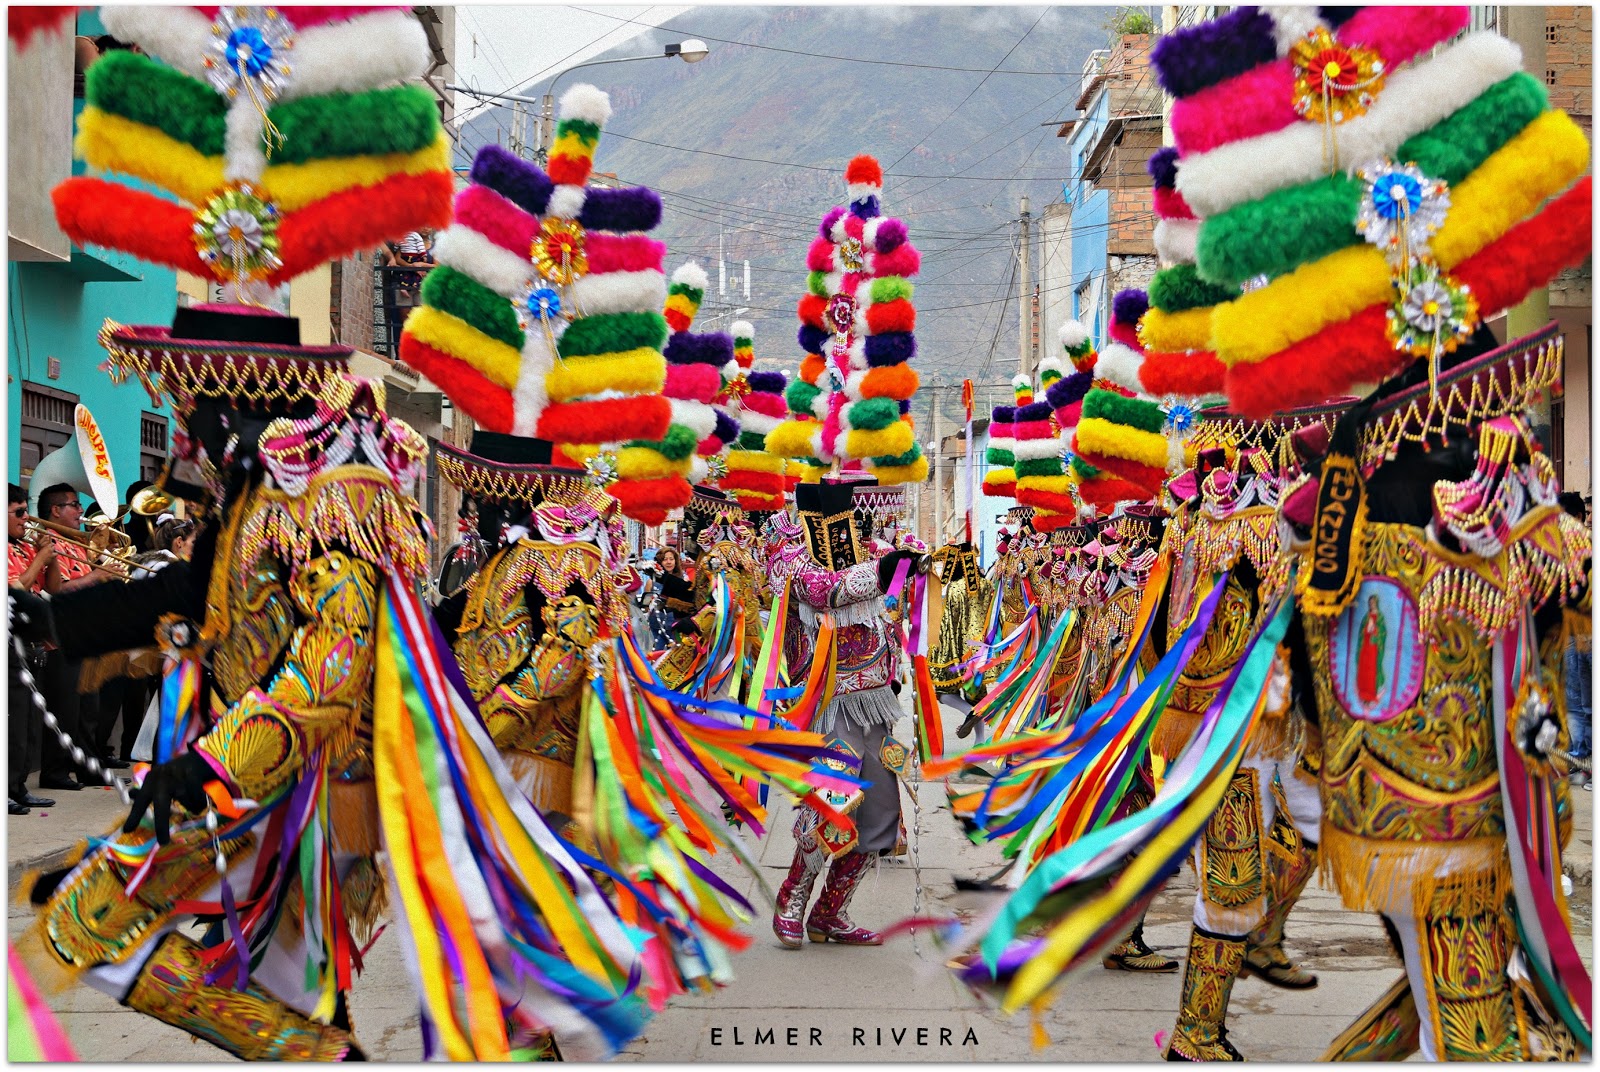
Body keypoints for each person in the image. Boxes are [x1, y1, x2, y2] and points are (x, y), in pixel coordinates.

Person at [7, 485, 56, 814]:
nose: (26, 519)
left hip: (31, 641)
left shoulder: (22, 547)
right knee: (12, 720)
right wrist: (40, 558)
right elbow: (16, 588)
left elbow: (52, 588)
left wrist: (50, 556)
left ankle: (19, 785)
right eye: (19, 512)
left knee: (28, 720)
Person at [1560, 491, 1591, 790]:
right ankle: (1580, 759)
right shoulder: (1562, 548)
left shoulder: (1589, 546)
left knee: (1589, 700)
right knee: (1574, 699)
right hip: (1571, 630)